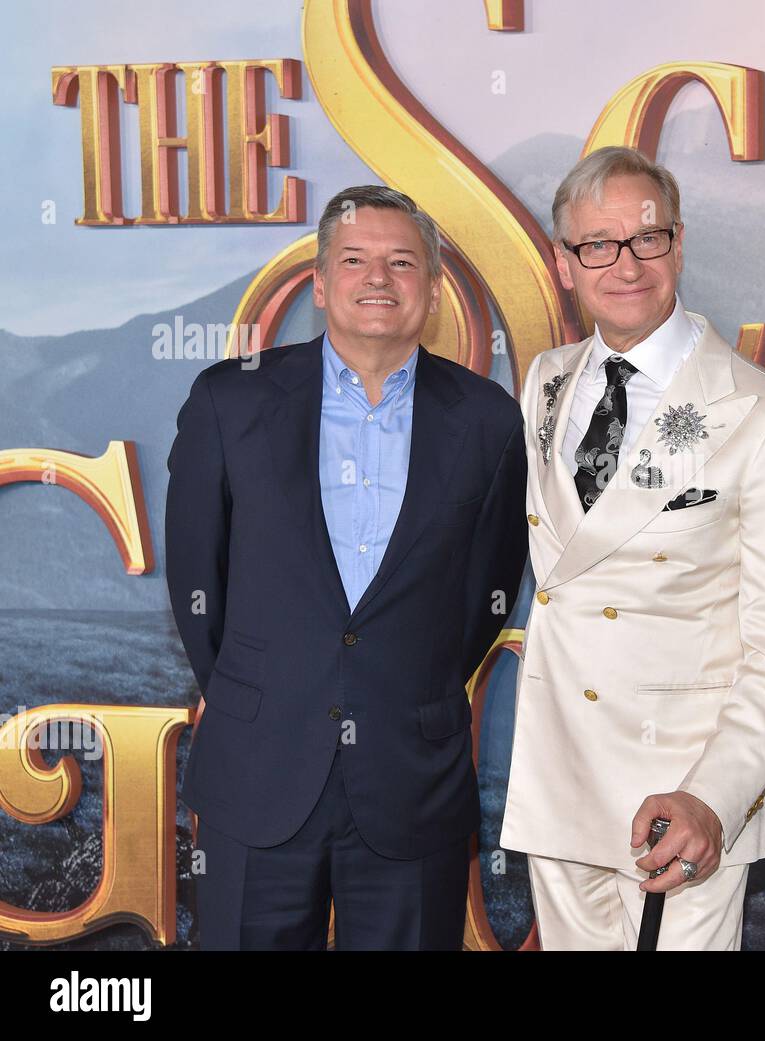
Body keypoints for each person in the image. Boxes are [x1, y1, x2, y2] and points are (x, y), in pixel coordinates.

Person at [166, 185, 528, 949]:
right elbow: (199, 582)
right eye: (355, 259)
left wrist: (398, 675)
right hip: (259, 771)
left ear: (432, 291)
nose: (378, 279)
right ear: (321, 283)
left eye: (402, 262)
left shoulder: (488, 419)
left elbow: (483, 598)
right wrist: (265, 686)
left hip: (412, 781)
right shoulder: (230, 401)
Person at [501, 146, 765, 950]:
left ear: (678, 244)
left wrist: (717, 794)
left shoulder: (763, 412)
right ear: (565, 262)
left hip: (678, 795)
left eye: (647, 239)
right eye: (597, 245)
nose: (626, 264)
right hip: (558, 776)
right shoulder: (545, 379)